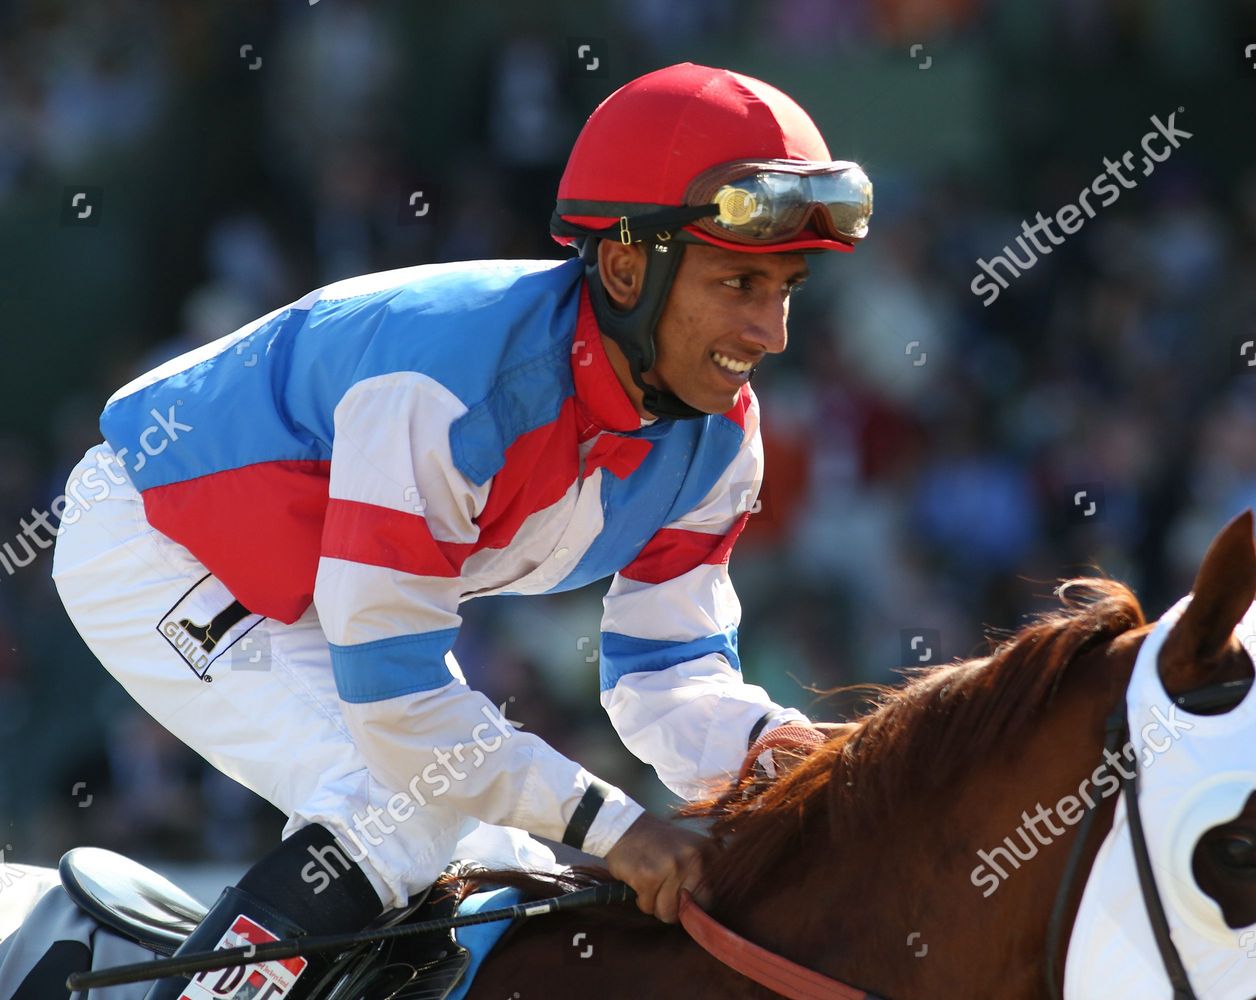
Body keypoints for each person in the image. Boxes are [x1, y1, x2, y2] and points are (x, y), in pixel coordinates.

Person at [48, 61, 872, 999]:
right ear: (624, 269)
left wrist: (785, 757)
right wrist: (616, 827)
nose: (772, 332)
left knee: (505, 866)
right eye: (739, 284)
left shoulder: (721, 437)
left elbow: (668, 671)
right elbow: (397, 703)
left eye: (786, 288)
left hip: (316, 584)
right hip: (156, 537)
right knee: (401, 811)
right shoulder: (447, 388)